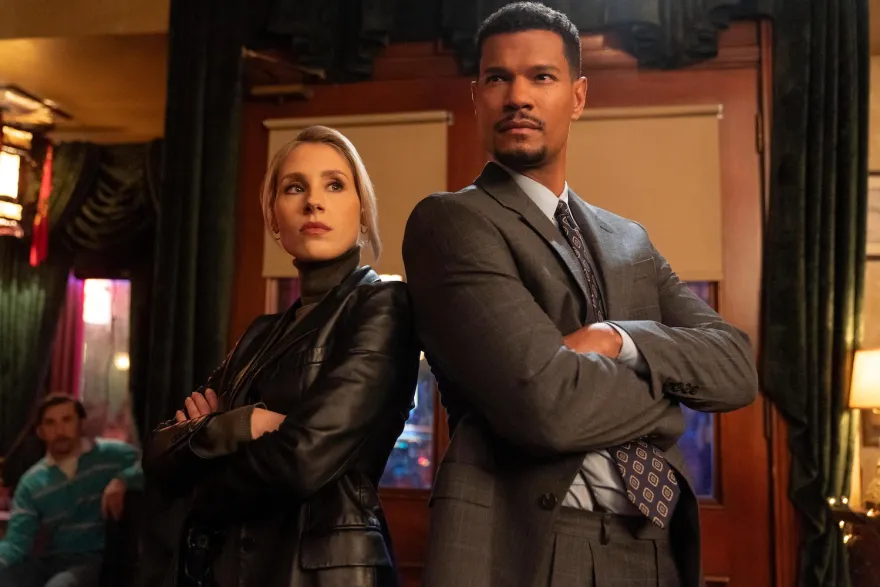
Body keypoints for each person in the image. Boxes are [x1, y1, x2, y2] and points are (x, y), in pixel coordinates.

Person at [401, 4, 759, 587]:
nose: (518, 96)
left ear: (578, 96)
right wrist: (670, 399)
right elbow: (547, 408)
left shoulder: (629, 240)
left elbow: (737, 367)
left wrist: (616, 340)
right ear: (477, 97)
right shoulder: (452, 223)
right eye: (498, 78)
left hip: (656, 547)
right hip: (537, 546)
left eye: (541, 76)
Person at [143, 125, 421, 587]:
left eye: (334, 185)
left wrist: (203, 468)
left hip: (324, 574)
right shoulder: (261, 333)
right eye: (295, 188)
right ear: (274, 218)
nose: (313, 202)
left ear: (362, 212)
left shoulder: (383, 305)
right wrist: (245, 423)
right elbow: (157, 456)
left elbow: (301, 462)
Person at [0, 394, 143, 587]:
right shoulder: (32, 482)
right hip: (52, 560)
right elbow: (17, 542)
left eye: (67, 420)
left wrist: (123, 479)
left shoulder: (112, 454)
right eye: (50, 423)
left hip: (96, 559)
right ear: (41, 431)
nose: (59, 430)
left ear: (80, 423)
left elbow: (149, 465)